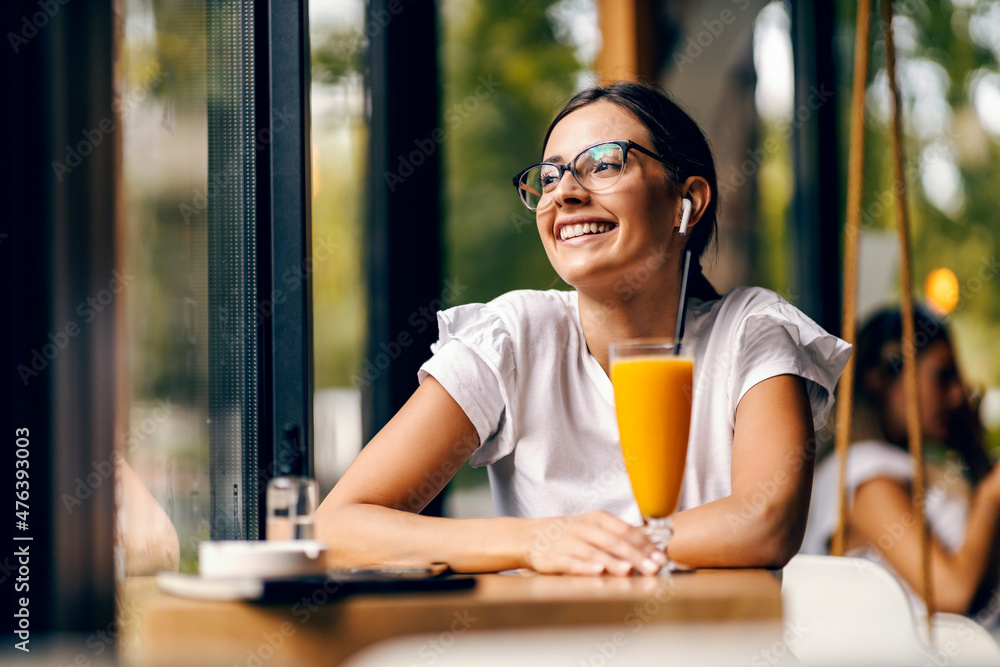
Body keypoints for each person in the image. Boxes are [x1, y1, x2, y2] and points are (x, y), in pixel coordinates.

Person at [316, 81, 851, 576]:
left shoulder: (751, 333)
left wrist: (589, 547)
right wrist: (537, 541)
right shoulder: (513, 337)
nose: (563, 194)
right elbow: (337, 526)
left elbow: (765, 523)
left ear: (686, 201)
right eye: (549, 176)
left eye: (603, 165)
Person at [802, 306, 1000, 617]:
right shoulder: (866, 477)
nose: (959, 393)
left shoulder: (906, 466)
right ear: (880, 380)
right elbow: (950, 593)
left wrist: (973, 452)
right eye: (944, 376)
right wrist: (990, 494)